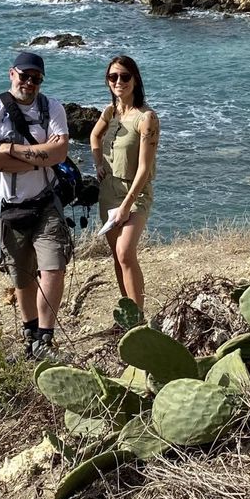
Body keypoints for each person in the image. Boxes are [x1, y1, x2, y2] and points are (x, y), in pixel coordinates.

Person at [0, 50, 72, 356]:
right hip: (9, 207)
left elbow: (59, 155)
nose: (29, 83)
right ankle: (30, 335)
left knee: (53, 268)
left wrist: (11, 150)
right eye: (24, 76)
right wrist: (38, 158)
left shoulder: (52, 107)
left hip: (45, 202)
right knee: (22, 275)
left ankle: (46, 336)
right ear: (11, 73)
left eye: (36, 78)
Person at [90, 55, 159, 310]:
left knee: (126, 252)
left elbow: (143, 169)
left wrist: (126, 206)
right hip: (109, 190)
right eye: (113, 77)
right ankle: (127, 315)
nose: (119, 81)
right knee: (118, 258)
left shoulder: (146, 118)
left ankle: (138, 317)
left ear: (135, 79)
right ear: (108, 81)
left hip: (135, 193)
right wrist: (98, 164)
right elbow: (94, 136)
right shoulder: (110, 112)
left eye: (125, 76)